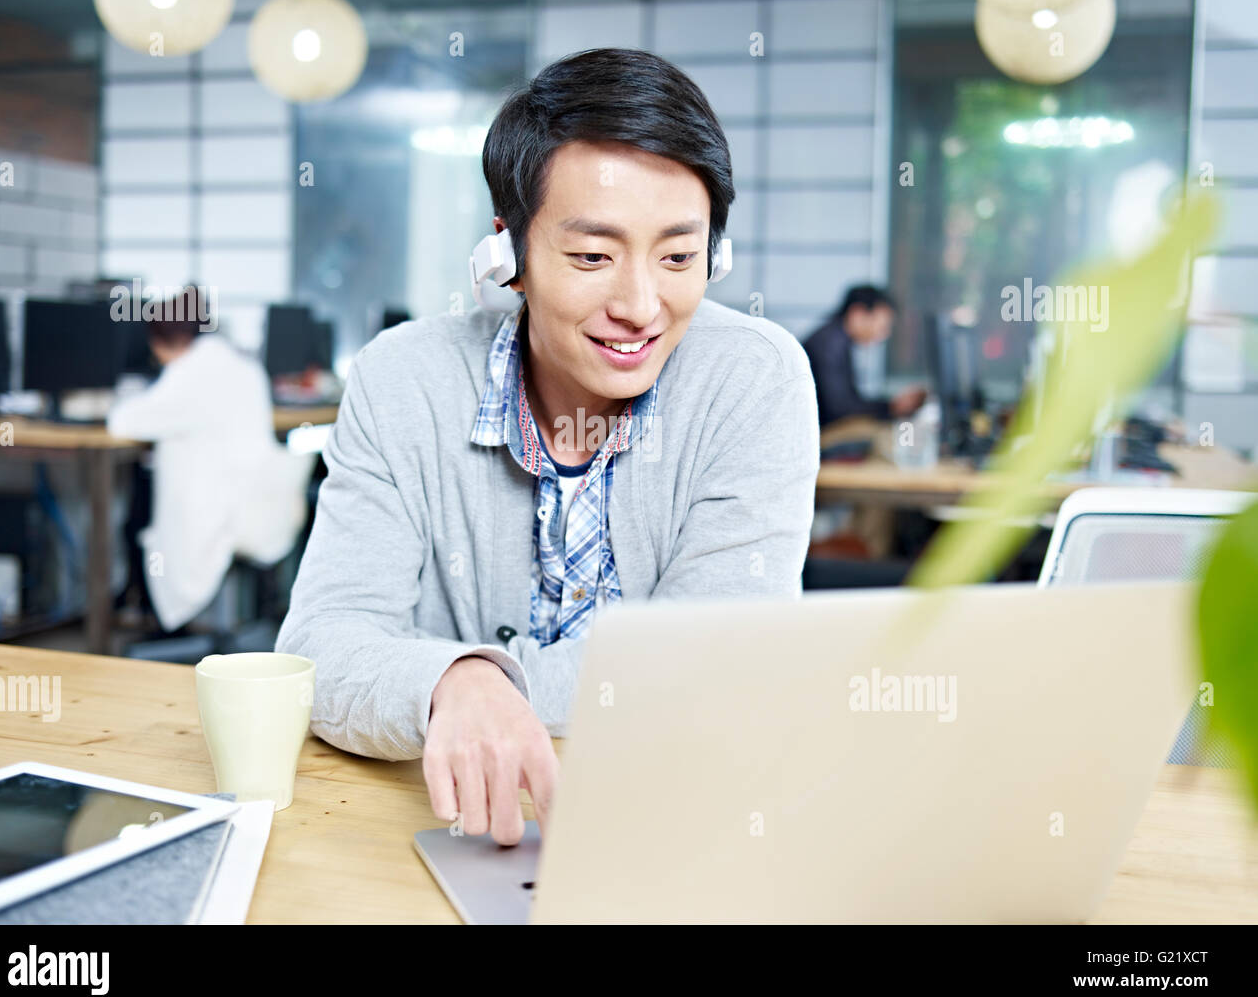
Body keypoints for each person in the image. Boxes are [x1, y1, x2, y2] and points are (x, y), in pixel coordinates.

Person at [276, 48, 822, 846]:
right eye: (593, 256)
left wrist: (494, 683)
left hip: (684, 827)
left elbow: (712, 665)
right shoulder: (402, 379)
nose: (641, 305)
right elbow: (321, 649)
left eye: (678, 256)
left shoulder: (756, 381)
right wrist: (450, 683)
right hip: (446, 827)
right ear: (510, 257)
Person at [107, 289, 310, 632]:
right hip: (262, 506)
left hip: (219, 516)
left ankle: (147, 616)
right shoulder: (245, 366)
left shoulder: (189, 373)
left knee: (137, 511)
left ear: (159, 342)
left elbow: (122, 422)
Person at [802, 284, 926, 428]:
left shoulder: (836, 339)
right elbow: (838, 409)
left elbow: (850, 400)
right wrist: (890, 408)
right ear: (858, 313)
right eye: (882, 326)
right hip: (821, 432)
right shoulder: (828, 345)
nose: (884, 334)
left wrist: (890, 406)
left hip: (824, 426)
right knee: (886, 435)